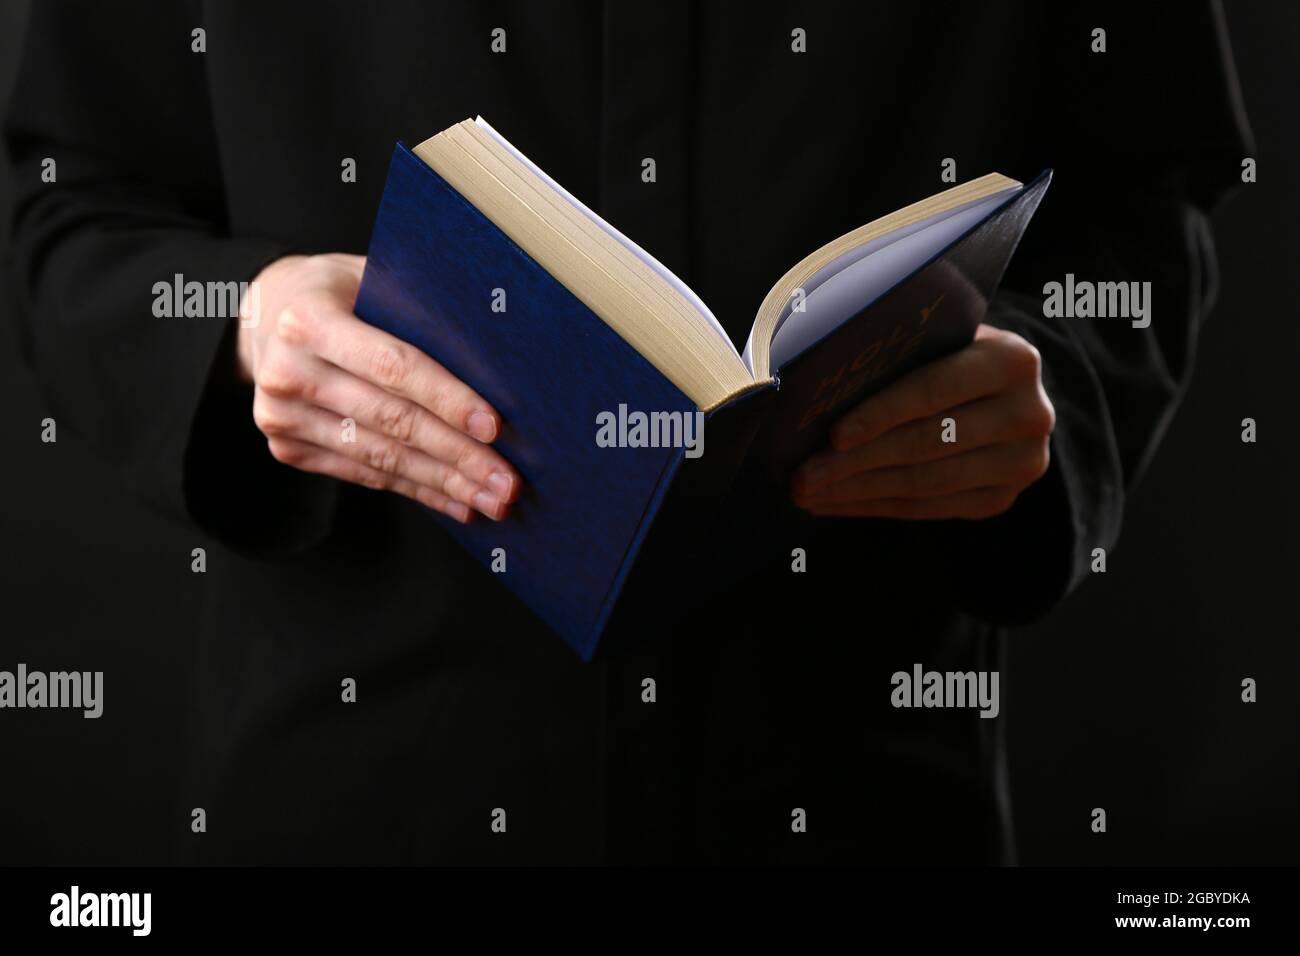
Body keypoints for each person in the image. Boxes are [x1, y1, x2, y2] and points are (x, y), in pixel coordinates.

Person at [4, 1, 1250, 864]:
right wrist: (235, 325)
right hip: (358, 790)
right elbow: (65, 200)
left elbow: (1145, 199)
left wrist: (1056, 386)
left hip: (861, 802)